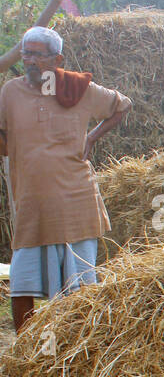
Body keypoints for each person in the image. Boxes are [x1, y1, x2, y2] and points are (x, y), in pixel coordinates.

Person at [0, 26, 132, 332]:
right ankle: (27, 353)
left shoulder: (78, 88)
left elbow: (122, 105)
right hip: (33, 205)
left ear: (57, 59)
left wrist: (91, 138)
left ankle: (77, 350)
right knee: (22, 285)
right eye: (25, 54)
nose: (29, 61)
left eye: (37, 55)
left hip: (76, 202)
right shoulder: (10, 92)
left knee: (80, 290)